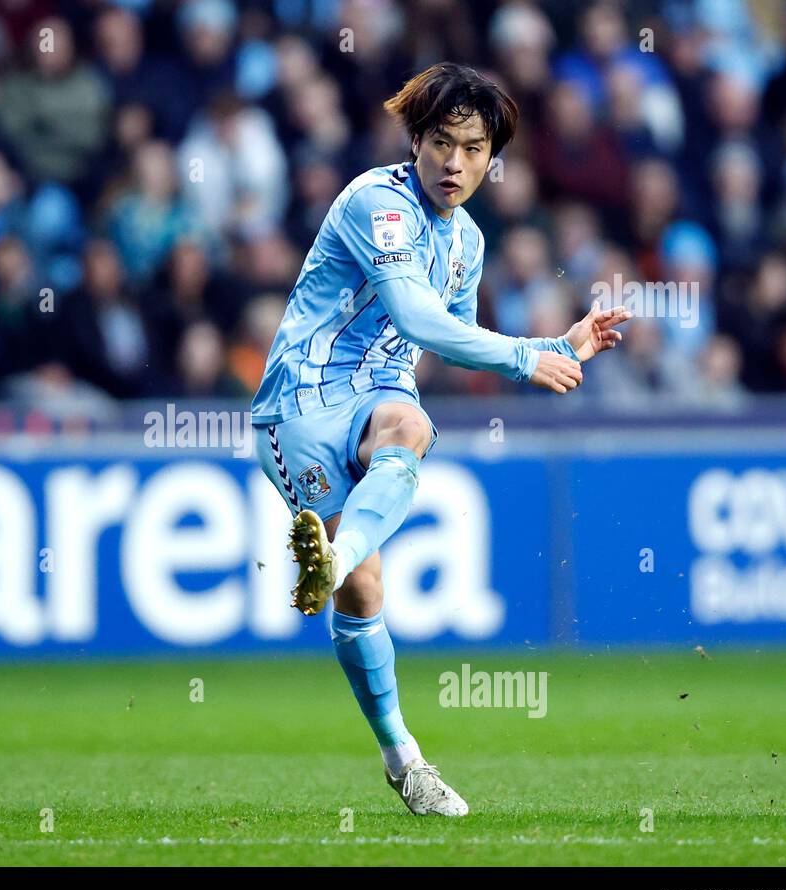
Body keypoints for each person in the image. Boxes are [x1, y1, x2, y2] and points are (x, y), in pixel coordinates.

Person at [251, 63, 629, 817]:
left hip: (380, 401)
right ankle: (395, 737)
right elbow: (420, 320)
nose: (454, 163)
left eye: (473, 149)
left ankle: (400, 754)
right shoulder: (375, 204)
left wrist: (559, 341)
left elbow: (451, 339)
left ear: (494, 159)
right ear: (415, 141)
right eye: (442, 143)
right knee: (363, 593)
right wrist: (529, 355)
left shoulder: (470, 243)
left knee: (412, 427)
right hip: (298, 406)